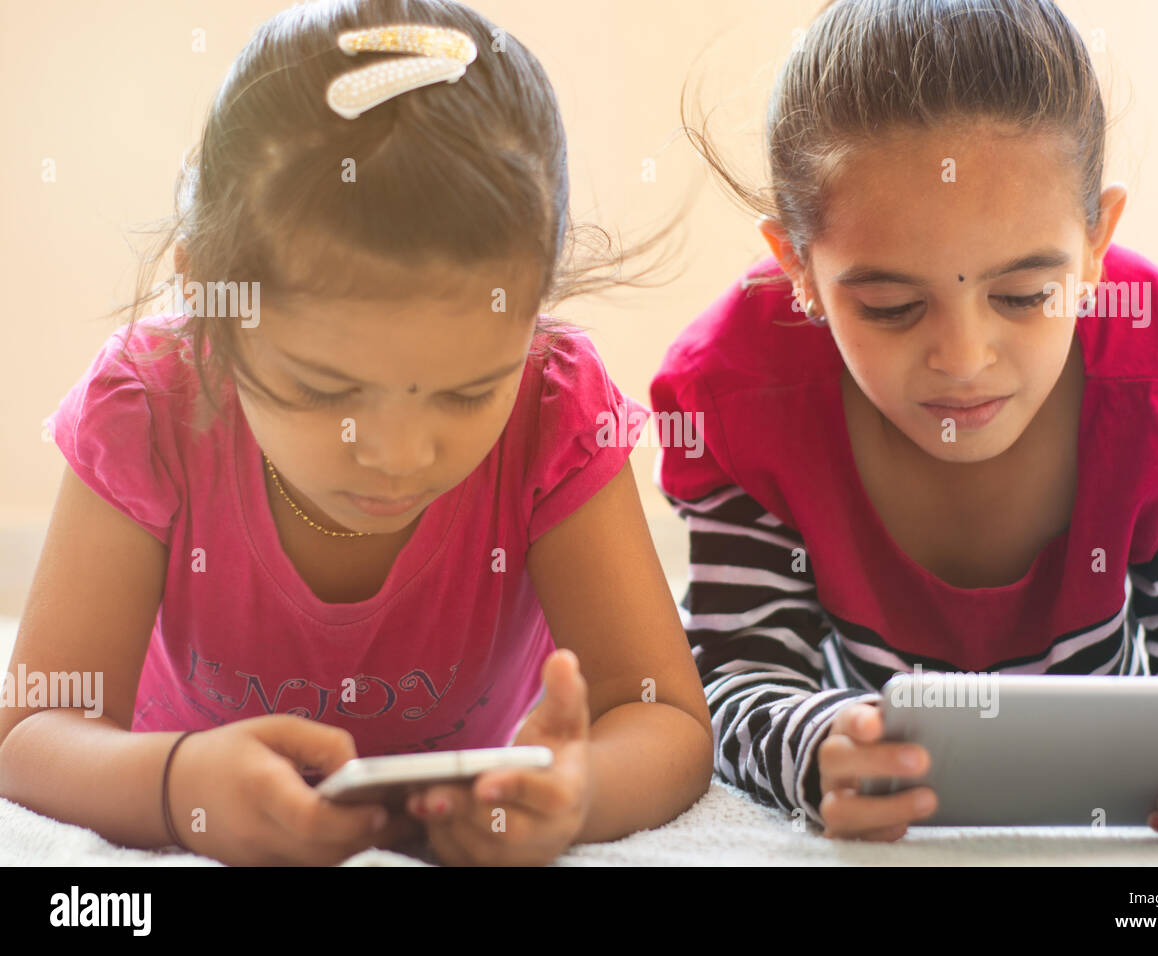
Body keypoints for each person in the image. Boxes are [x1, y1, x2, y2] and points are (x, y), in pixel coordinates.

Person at [0, 0, 711, 866]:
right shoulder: (146, 406)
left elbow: (664, 717)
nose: (400, 455)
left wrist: (577, 794)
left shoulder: (553, 406)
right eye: (326, 388)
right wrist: (177, 786)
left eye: (467, 392)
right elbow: (33, 728)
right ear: (212, 305)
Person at [651, 0, 1158, 843]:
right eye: (890, 305)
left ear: (1098, 240)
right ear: (798, 268)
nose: (963, 359)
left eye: (1024, 296)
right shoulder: (738, 399)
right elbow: (739, 680)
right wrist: (815, 748)